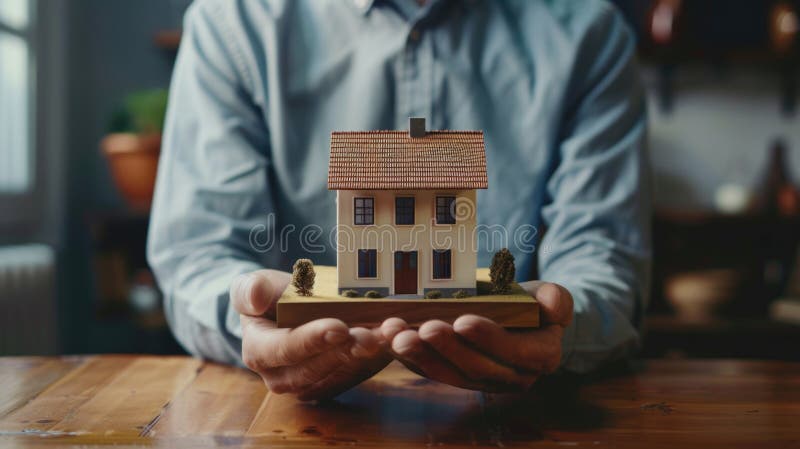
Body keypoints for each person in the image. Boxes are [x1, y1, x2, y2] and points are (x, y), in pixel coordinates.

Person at [148, 0, 651, 399]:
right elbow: (198, 253)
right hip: (288, 415)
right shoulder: (231, 21)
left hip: (520, 415)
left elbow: (602, 257)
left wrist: (561, 328)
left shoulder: (588, 31)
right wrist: (251, 323)